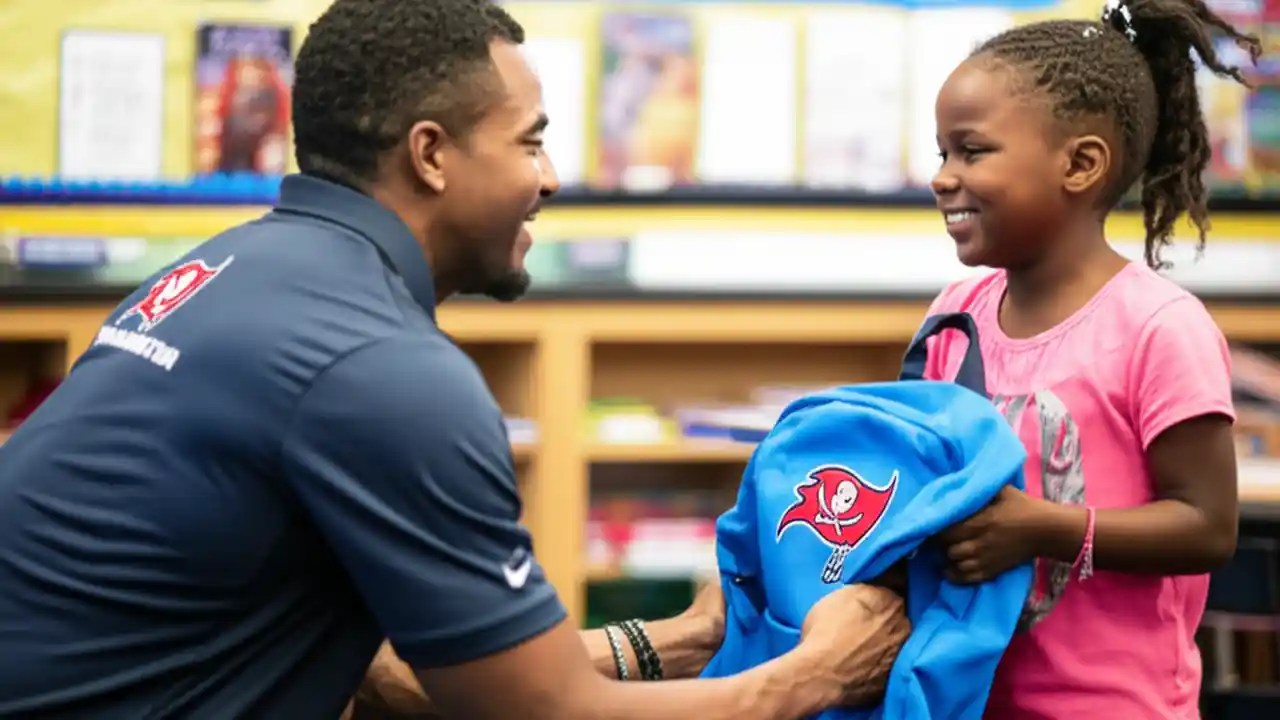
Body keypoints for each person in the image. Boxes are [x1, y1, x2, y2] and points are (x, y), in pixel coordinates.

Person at [0, 1, 910, 718]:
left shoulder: (224, 269)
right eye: (530, 141)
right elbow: (547, 712)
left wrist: (681, 639)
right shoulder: (379, 368)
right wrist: (820, 673)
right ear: (431, 154)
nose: (549, 178)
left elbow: (392, 668)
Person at [923, 1, 1256, 717]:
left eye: (971, 152)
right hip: (966, 699)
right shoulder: (953, 314)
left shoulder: (1159, 328)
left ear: (1079, 164)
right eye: (941, 153)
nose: (943, 177)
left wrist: (1043, 529)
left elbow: (1207, 526)